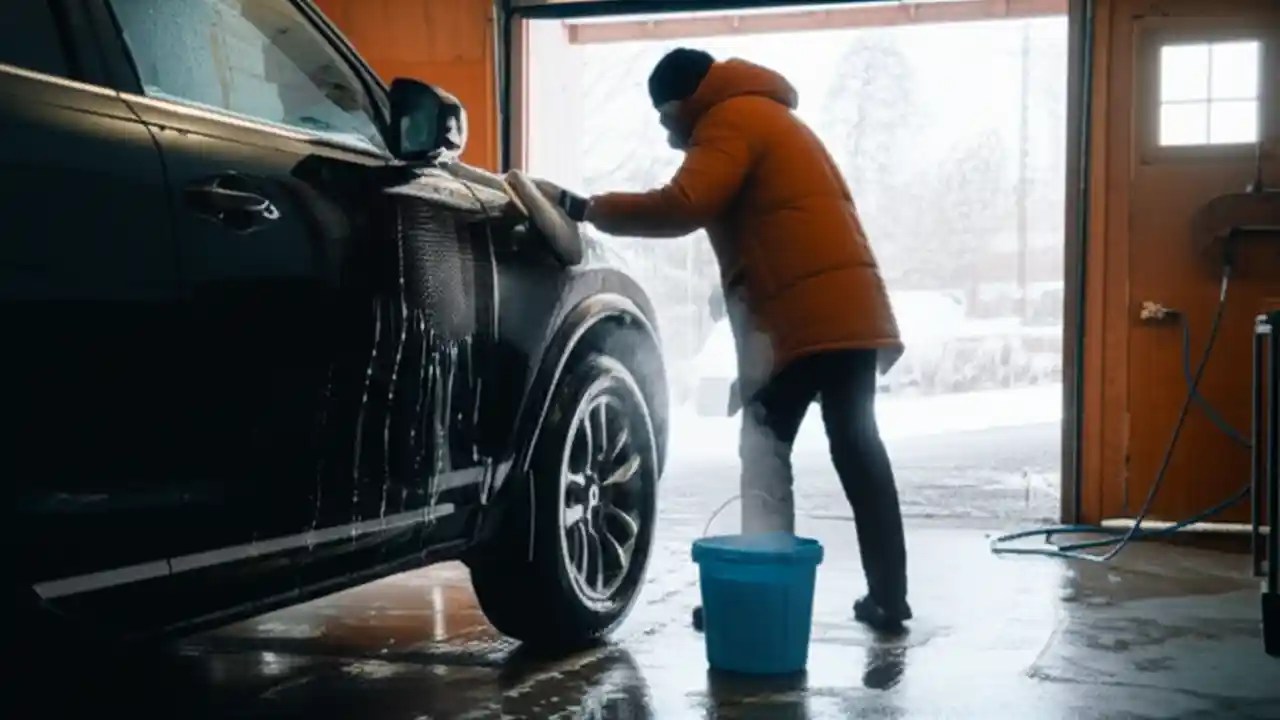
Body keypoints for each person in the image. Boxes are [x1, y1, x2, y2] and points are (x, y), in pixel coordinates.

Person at [541, 48, 912, 632]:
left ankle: (760, 594)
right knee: (858, 449)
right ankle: (889, 596)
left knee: (764, 451)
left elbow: (685, 204)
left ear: (683, 101)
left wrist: (588, 209)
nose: (666, 130)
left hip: (804, 319)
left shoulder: (730, 119)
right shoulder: (769, 115)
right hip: (847, 312)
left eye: (665, 116)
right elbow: (781, 228)